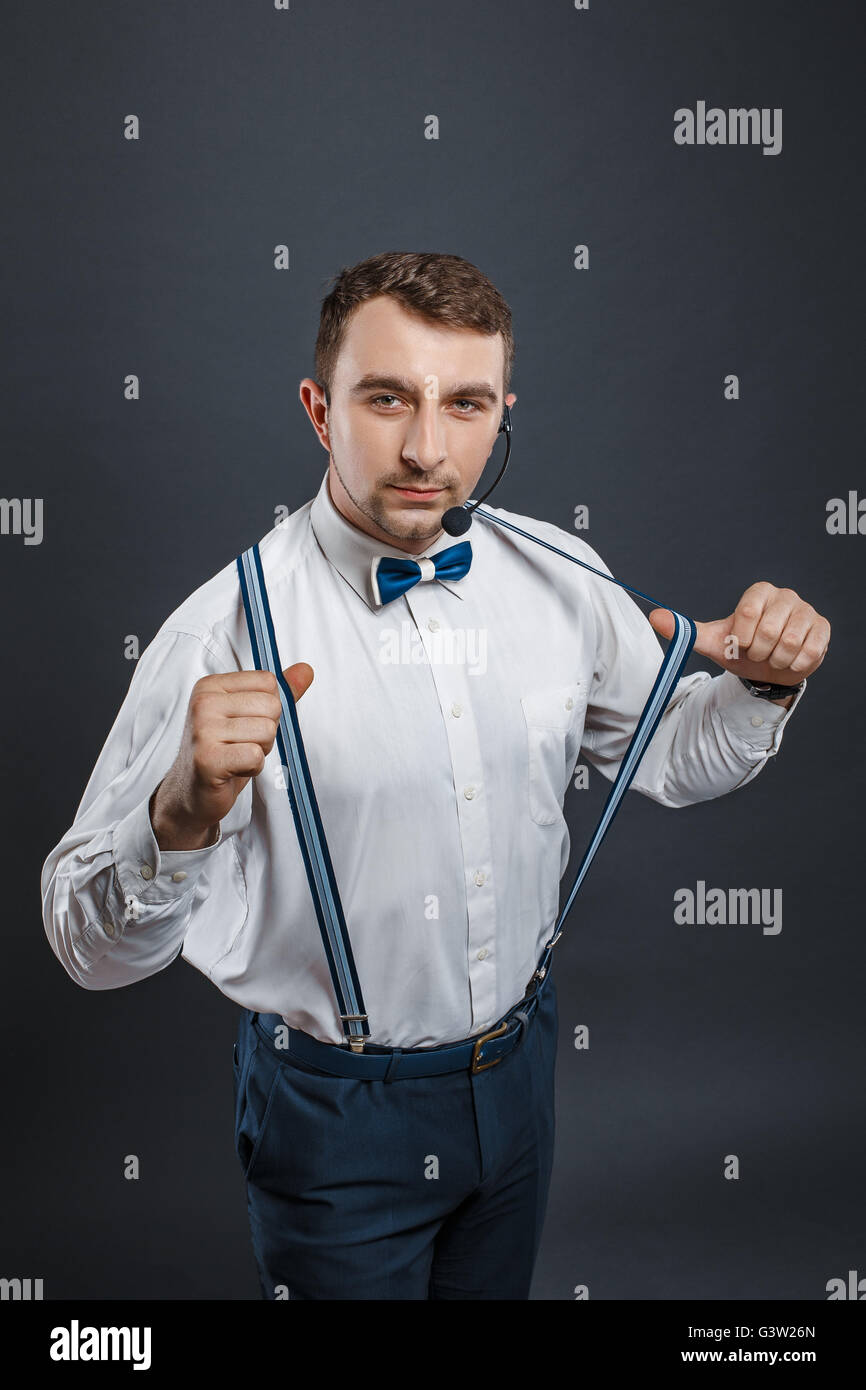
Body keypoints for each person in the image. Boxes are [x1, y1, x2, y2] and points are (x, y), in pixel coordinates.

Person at [41, 250, 829, 1300]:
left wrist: (760, 687)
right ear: (320, 410)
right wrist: (176, 816)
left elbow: (675, 755)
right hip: (332, 1117)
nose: (425, 447)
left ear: (501, 412)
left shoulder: (557, 575)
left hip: (516, 1079)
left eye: (462, 404)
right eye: (386, 398)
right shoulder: (218, 633)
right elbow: (85, 947)